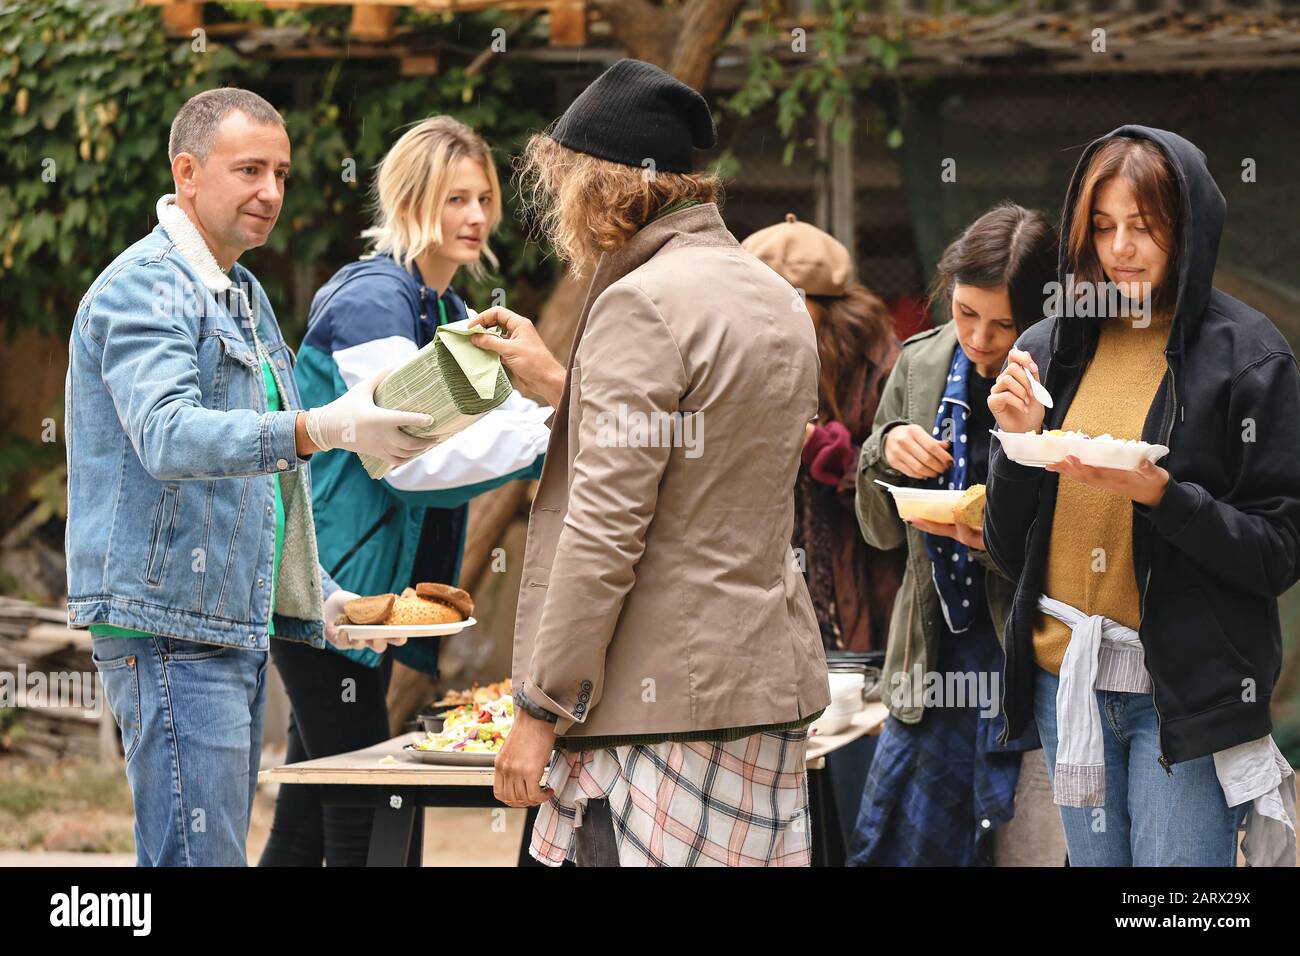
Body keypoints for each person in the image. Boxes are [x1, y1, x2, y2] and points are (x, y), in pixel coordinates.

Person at [469, 58, 830, 866]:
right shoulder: (774, 294)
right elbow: (704, 455)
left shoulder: (639, 302)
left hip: (657, 710)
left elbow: (605, 532)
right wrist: (565, 390)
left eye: (561, 182)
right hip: (760, 687)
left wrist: (540, 708)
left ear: (598, 186)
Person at [66, 88, 439, 866]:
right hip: (169, 628)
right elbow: (168, 435)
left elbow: (261, 489)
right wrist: (319, 427)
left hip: (228, 627)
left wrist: (325, 599)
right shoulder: (146, 286)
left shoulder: (240, 290)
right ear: (187, 172)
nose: (270, 191)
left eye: (281, 173)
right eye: (249, 170)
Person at [985, 126, 1299, 867]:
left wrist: (1165, 498)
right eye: (1102, 226)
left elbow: (1278, 554)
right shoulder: (1046, 348)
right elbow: (1007, 550)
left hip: (1182, 694)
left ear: (1187, 228)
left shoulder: (1249, 355)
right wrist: (1018, 448)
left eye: (1144, 225)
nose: (1120, 248)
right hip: (1067, 684)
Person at [258, 116, 550, 867]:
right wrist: (555, 437)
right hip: (330, 581)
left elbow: (507, 421)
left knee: (312, 810)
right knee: (373, 814)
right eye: (456, 199)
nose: (477, 216)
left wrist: (555, 421)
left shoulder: (447, 310)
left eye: (483, 198)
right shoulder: (372, 300)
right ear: (412, 200)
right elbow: (409, 458)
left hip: (370, 592)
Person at [850, 203, 1068, 866]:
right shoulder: (920, 365)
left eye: (1004, 325)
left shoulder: (1066, 378)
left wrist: (1004, 540)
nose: (978, 338)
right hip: (931, 660)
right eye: (966, 312)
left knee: (1022, 851)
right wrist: (886, 451)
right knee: (901, 846)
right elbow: (879, 532)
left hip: (1027, 665)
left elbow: (1091, 540)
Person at [741, 215, 905, 654]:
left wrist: (823, 450)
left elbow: (896, 497)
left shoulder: (882, 367)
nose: (769, 317)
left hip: (862, 584)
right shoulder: (740, 356)